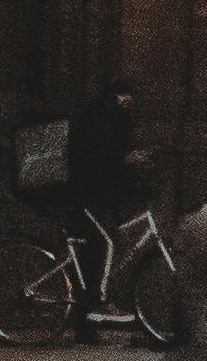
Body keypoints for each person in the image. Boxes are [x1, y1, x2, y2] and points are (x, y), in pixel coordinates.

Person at [64, 81, 149, 314]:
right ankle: (96, 301)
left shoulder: (103, 119)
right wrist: (125, 160)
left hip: (94, 195)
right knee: (105, 242)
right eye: (123, 98)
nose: (127, 103)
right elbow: (97, 160)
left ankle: (87, 309)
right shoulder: (100, 121)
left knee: (96, 248)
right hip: (84, 195)